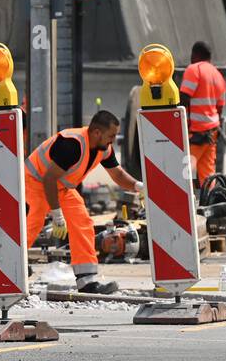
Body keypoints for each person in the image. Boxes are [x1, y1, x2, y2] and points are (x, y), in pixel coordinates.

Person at [25, 110, 142, 294]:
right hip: (35, 181)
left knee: (83, 222)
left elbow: (117, 174)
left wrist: (138, 186)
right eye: (111, 136)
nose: (113, 140)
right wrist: (57, 214)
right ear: (97, 133)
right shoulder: (72, 144)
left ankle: (87, 282)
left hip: (61, 187)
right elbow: (48, 179)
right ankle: (7, 269)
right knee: (33, 222)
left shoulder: (103, 148)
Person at [179, 40, 226, 188]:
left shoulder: (194, 69)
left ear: (195, 55)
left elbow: (184, 98)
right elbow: (220, 108)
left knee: (184, 172)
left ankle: (182, 205)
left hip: (196, 132)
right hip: (212, 132)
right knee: (207, 174)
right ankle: (209, 202)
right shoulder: (218, 75)